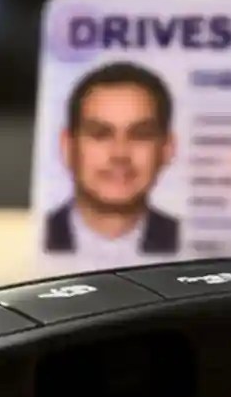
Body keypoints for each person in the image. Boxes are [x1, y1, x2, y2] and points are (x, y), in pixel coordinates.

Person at [45, 62, 179, 255]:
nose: (120, 154)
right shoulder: (28, 236)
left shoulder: (187, 241)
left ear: (167, 148)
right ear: (67, 146)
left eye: (140, 135)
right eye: (100, 134)